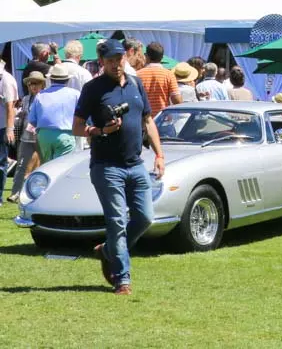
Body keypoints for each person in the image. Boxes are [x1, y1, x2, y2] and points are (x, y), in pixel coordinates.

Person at [72, 38, 165, 295]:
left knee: (145, 217)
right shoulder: (93, 88)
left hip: (135, 164)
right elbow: (76, 126)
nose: (116, 65)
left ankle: (108, 250)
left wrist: (159, 154)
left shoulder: (136, 83)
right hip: (106, 166)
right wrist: (100, 130)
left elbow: (148, 121)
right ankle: (122, 278)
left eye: (119, 59)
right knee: (117, 221)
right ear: (102, 62)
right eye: (111, 61)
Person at [27, 63, 80, 161]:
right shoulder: (75, 94)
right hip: (65, 134)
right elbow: (82, 116)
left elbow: (32, 120)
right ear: (67, 79)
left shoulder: (40, 95)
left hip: (44, 135)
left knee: (48, 166)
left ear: (50, 79)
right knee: (63, 167)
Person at [8, 71, 45, 202]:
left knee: (46, 165)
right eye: (31, 83)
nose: (33, 86)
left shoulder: (46, 98)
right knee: (21, 165)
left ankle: (45, 193)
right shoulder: (25, 99)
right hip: (26, 136)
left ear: (42, 84)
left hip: (41, 137)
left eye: (36, 83)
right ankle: (15, 193)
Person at [136, 42, 182, 117]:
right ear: (162, 57)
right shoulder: (169, 74)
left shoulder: (137, 74)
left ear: (146, 56)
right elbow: (177, 100)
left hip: (145, 120)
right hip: (163, 119)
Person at [1, 59, 20, 204]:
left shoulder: (6, 80)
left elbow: (10, 106)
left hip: (2, 126)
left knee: (1, 163)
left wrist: (9, 129)